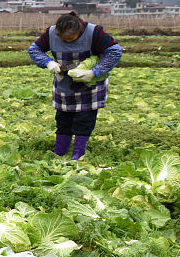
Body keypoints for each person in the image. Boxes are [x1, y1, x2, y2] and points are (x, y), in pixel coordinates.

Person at [27, 11, 122, 161]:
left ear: (79, 31)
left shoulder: (94, 33)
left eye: (70, 38)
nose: (66, 41)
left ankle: (78, 155)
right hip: (64, 84)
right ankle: (59, 152)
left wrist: (94, 72)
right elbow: (34, 50)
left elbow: (114, 51)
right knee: (63, 119)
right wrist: (48, 62)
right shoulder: (51, 33)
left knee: (84, 120)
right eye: (62, 38)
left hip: (89, 86)